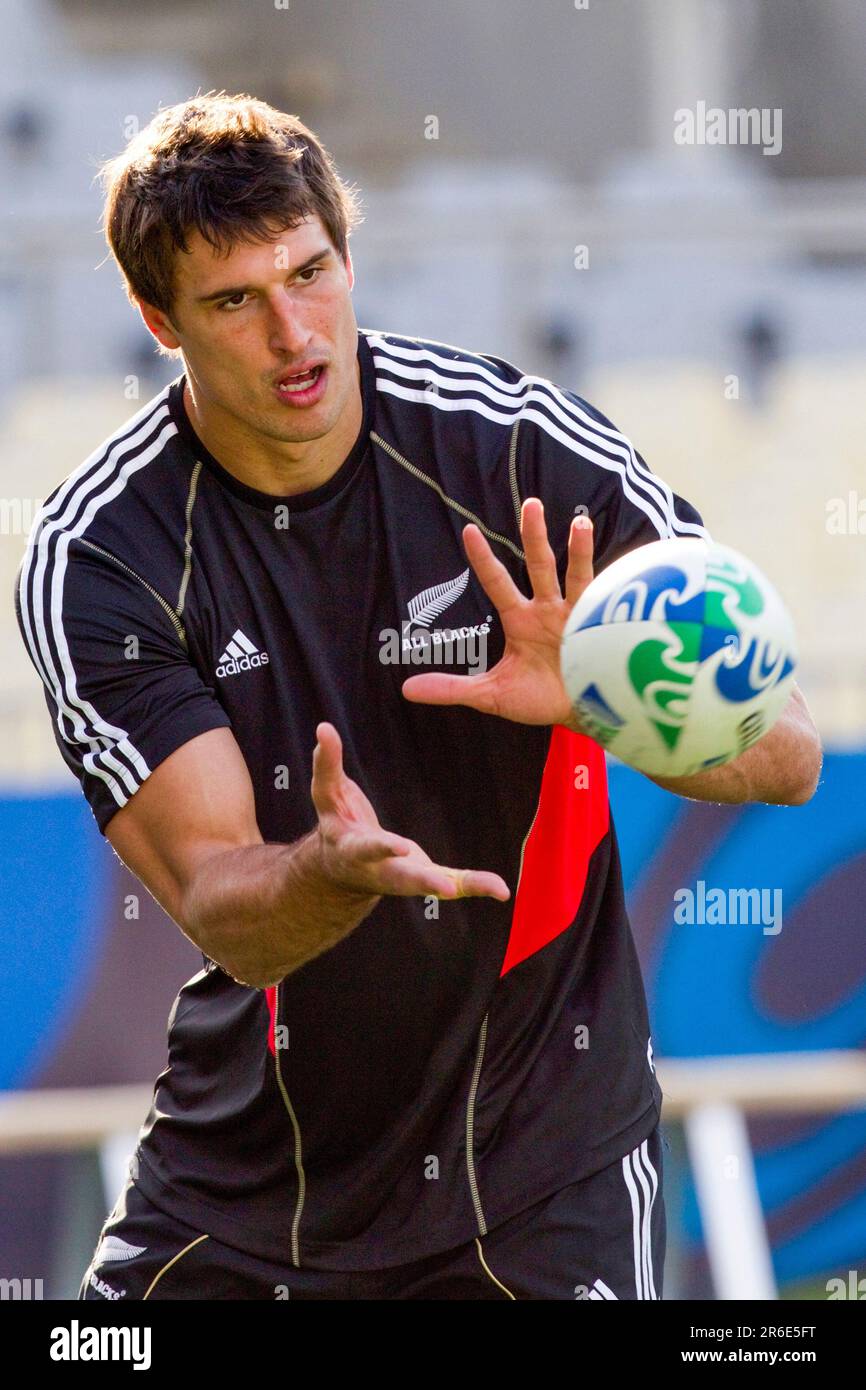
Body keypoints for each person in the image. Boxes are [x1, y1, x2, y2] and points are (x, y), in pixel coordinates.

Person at [15, 93, 821, 1301]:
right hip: (250, 1184)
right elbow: (223, 899)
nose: (296, 333)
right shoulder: (104, 551)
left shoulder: (520, 451)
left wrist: (603, 691)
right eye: (235, 300)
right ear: (156, 318)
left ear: (347, 250)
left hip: (542, 1166)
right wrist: (322, 878)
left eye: (312, 271)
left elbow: (785, 754)